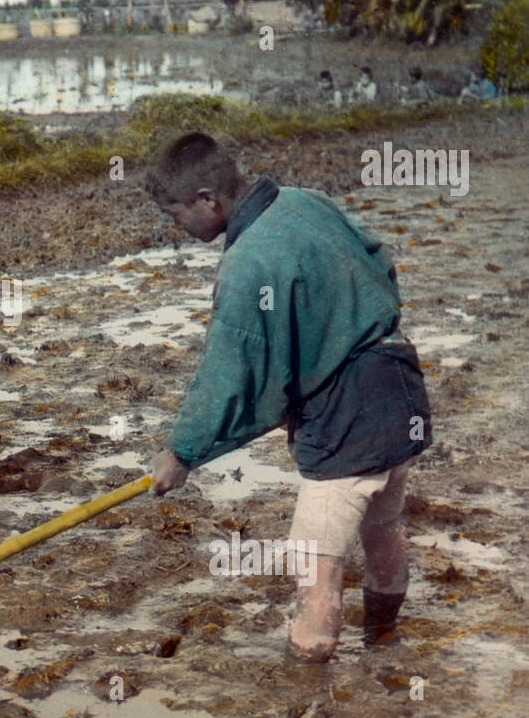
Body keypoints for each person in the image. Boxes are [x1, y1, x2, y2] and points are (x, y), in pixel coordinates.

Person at [143, 132, 432, 663]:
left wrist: (182, 452)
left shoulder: (246, 265)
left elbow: (227, 374)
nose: (177, 228)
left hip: (347, 419)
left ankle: (308, 688)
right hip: (399, 388)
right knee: (383, 528)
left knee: (314, 564)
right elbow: (381, 265)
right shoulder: (305, 200)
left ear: (210, 199)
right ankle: (384, 650)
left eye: (177, 213)